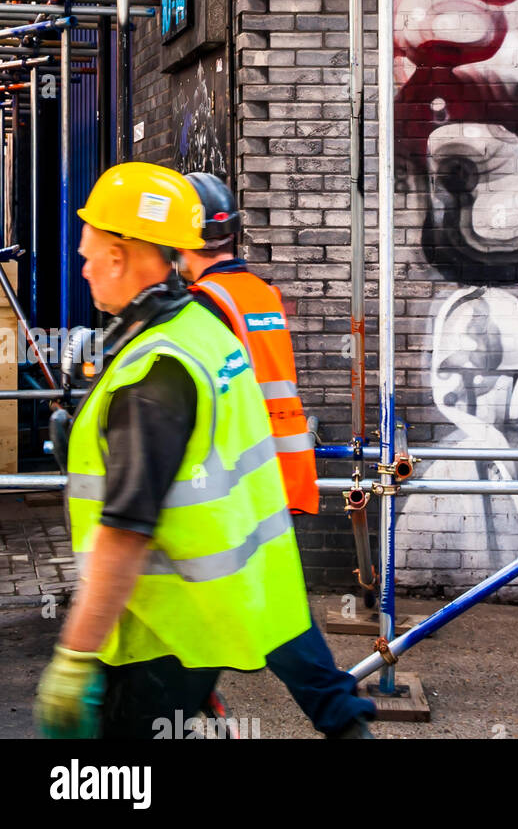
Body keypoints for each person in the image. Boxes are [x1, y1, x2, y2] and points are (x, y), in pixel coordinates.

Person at [36, 162, 312, 740]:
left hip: (150, 639)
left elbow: (125, 530)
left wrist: (73, 657)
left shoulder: (155, 371)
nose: (83, 270)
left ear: (119, 254)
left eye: (88, 256)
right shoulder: (201, 330)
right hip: (194, 626)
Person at [178, 171, 375, 740]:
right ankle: (199, 707)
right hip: (275, 471)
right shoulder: (260, 293)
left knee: (262, 611)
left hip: (232, 483)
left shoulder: (205, 304)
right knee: (247, 602)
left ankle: (336, 718)